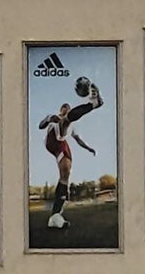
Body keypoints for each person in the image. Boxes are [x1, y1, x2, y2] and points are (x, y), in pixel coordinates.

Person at [39, 79, 102, 230]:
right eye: (64, 106)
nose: (66, 107)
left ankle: (55, 216)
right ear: (60, 109)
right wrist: (48, 119)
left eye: (68, 107)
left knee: (65, 175)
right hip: (53, 141)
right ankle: (94, 103)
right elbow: (40, 125)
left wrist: (88, 148)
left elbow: (78, 140)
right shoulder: (53, 118)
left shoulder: (71, 125)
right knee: (63, 122)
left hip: (61, 145)